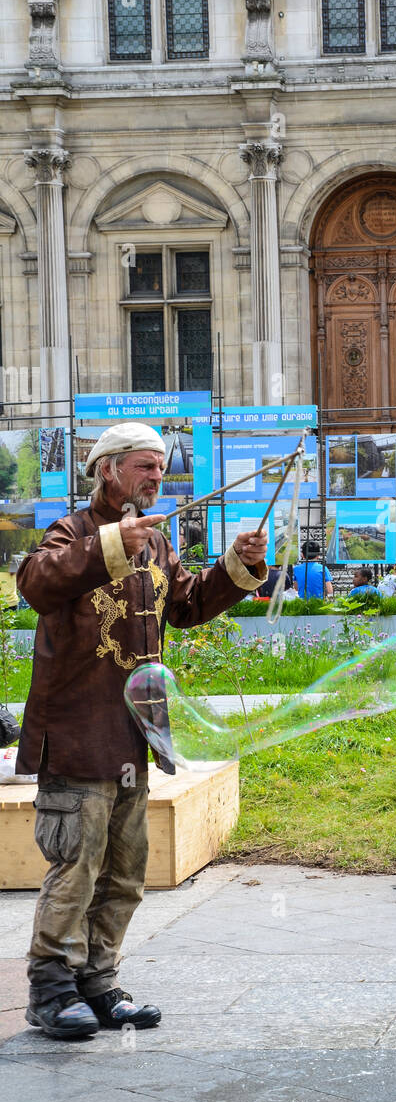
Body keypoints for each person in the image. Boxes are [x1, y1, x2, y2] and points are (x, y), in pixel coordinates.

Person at [17, 423, 268, 1041]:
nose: (157, 478)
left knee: (126, 870)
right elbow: (35, 582)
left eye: (161, 468)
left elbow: (184, 607)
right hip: (77, 733)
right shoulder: (72, 532)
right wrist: (108, 543)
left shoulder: (156, 545)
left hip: (134, 733)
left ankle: (98, 981)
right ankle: (52, 987)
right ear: (107, 470)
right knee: (76, 866)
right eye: (144, 467)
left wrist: (239, 566)